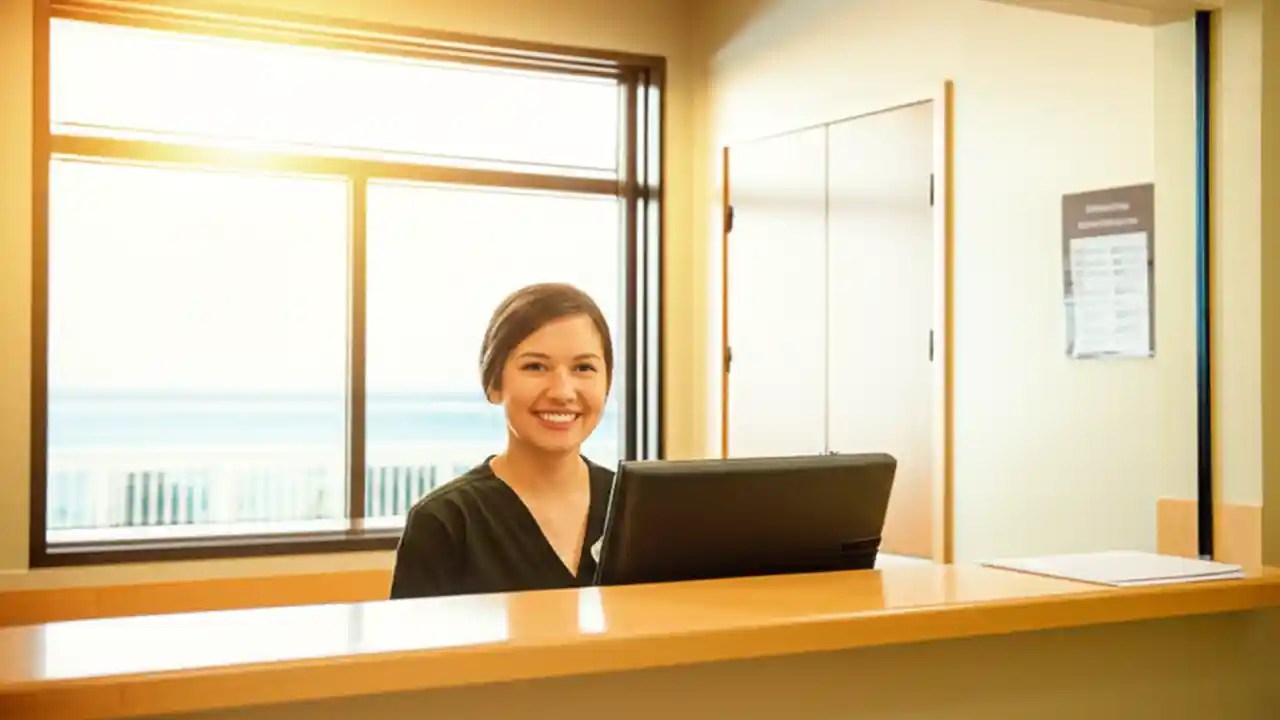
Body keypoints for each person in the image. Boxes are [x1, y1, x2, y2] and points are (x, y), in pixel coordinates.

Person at [389, 283, 616, 599]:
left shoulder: (637, 512)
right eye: (535, 366)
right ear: (494, 383)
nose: (563, 391)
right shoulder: (446, 522)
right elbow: (418, 648)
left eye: (583, 368)